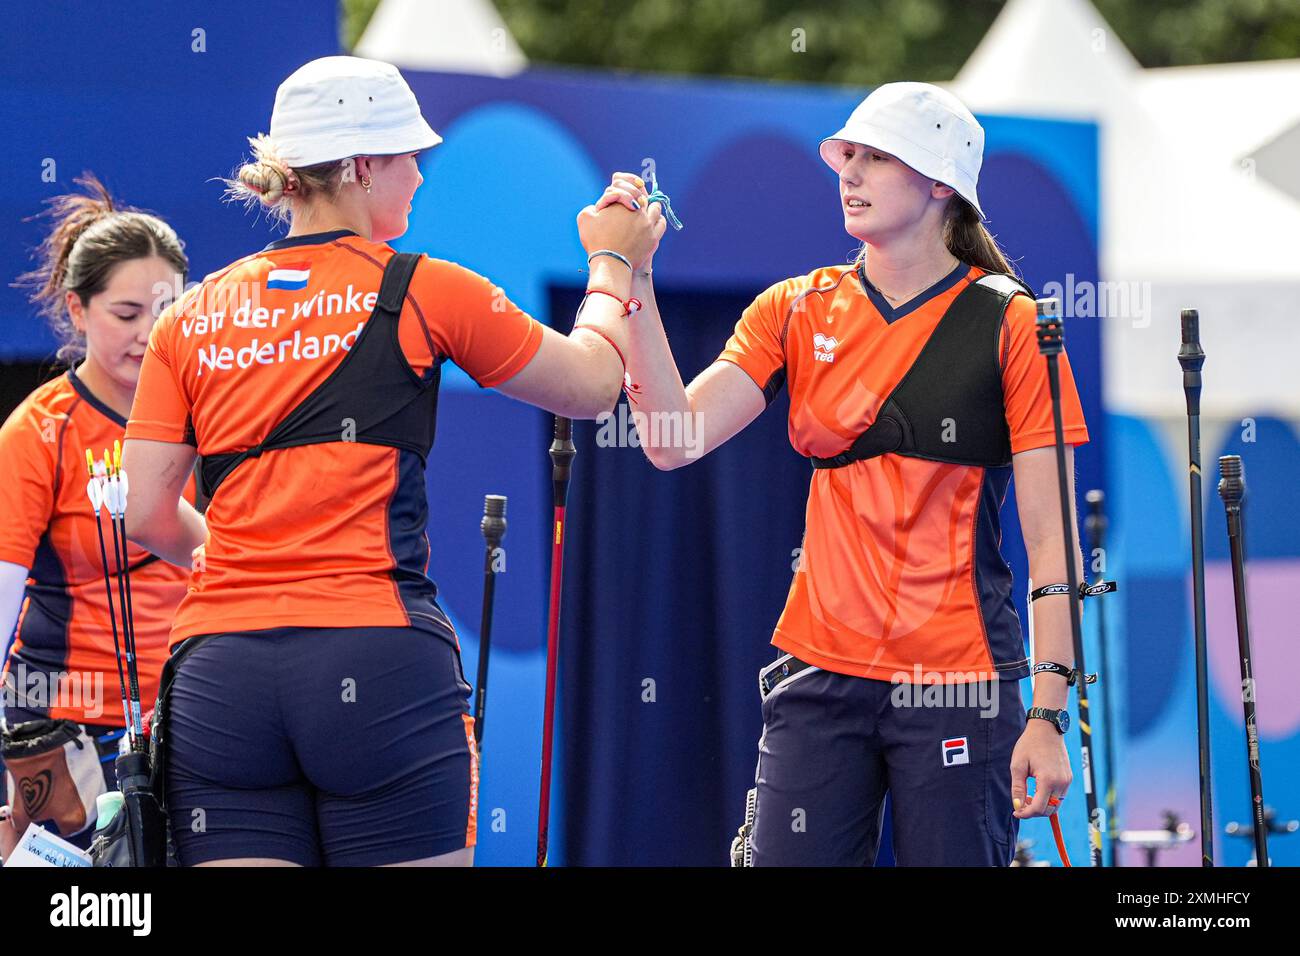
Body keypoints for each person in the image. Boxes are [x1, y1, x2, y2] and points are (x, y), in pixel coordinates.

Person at [121, 55, 662, 867]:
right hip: (375, 661)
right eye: (407, 154)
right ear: (359, 165)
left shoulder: (187, 316)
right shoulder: (427, 289)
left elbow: (147, 515)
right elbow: (591, 387)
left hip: (220, 677)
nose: (419, 172)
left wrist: (253, 569)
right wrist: (613, 263)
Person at [597, 82, 1090, 865]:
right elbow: (668, 436)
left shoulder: (1013, 323)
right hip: (820, 673)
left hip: (959, 681)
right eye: (845, 157)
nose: (849, 174)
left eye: (875, 158)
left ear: (939, 183)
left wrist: (1050, 714)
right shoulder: (795, 308)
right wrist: (637, 276)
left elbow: (1052, 543)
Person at [0, 175, 191, 857]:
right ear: (78, 312)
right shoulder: (38, 431)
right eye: (126, 312)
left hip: (188, 723)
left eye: (166, 310)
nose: (148, 333)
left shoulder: (216, 418)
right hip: (60, 728)